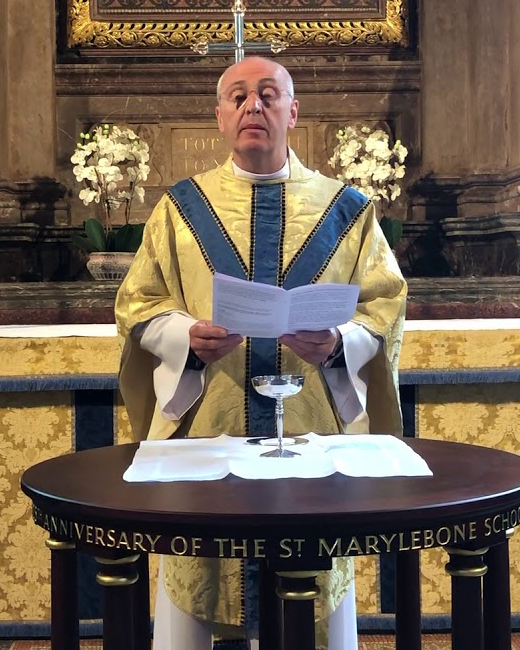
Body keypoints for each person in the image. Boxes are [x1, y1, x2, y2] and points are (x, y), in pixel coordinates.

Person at [114, 56, 407, 649]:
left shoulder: (347, 211)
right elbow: (138, 302)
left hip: (312, 434)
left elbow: (383, 305)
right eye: (240, 96)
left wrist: (338, 343)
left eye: (269, 95)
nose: (255, 106)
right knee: (196, 595)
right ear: (220, 116)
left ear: (292, 113)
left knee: (312, 600)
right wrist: (184, 338)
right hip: (207, 431)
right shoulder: (179, 209)